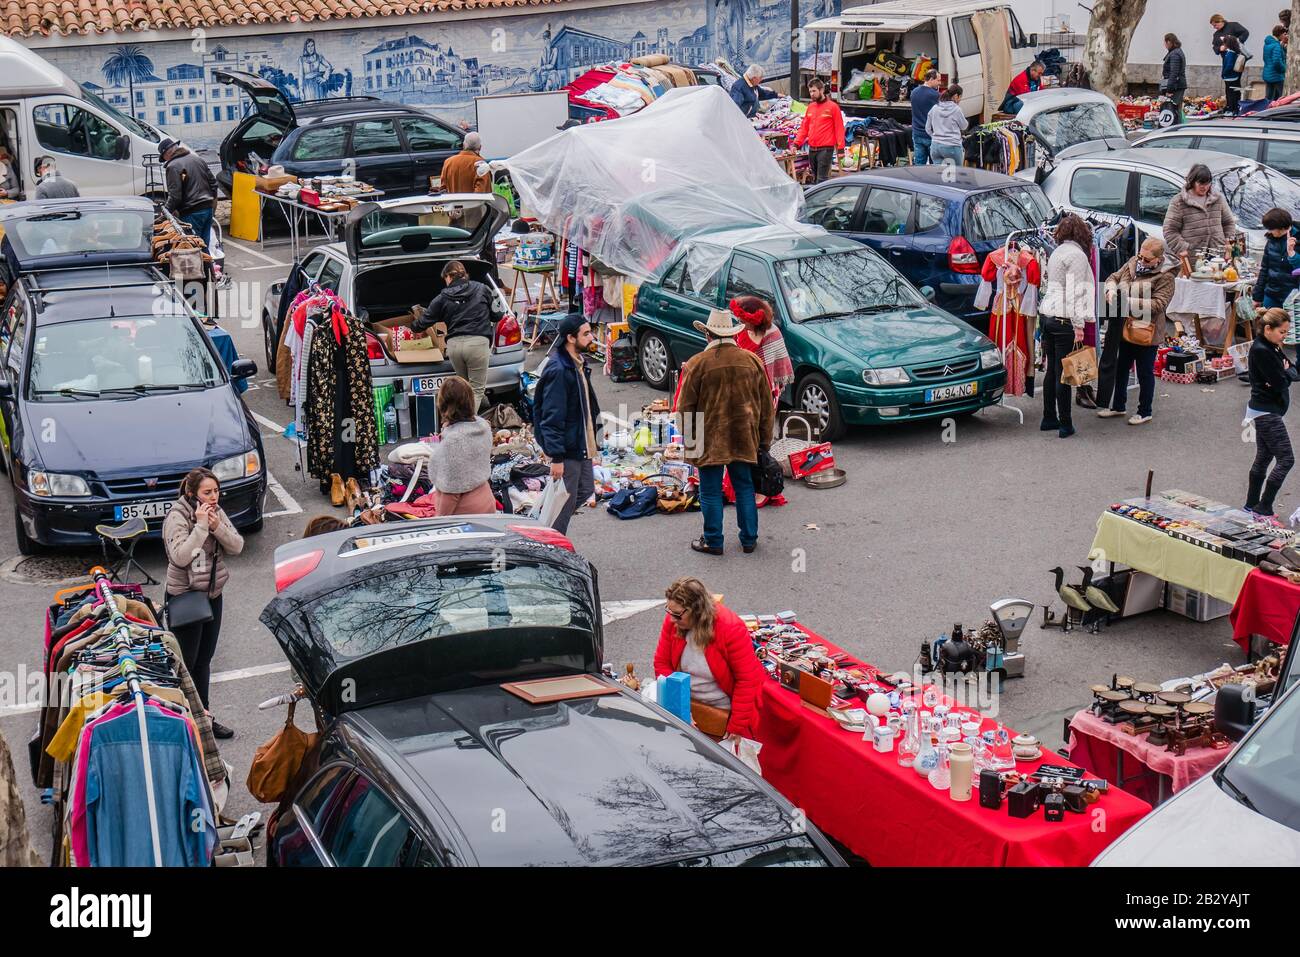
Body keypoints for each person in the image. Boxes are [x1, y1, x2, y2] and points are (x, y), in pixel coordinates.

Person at [676, 308, 775, 555]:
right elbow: (766, 406)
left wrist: (690, 442)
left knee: (709, 491)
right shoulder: (752, 361)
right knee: (744, 487)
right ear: (732, 334)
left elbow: (685, 408)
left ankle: (713, 540)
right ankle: (749, 539)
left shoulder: (698, 363)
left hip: (709, 438)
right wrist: (765, 440)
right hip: (744, 436)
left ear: (708, 335)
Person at [162, 467, 245, 740]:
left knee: (205, 660)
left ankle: (204, 716)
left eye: (216, 491)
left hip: (211, 595)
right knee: (186, 662)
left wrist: (216, 526)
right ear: (192, 494)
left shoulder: (215, 513)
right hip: (185, 597)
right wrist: (200, 527)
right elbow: (181, 556)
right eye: (207, 492)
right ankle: (184, 721)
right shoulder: (177, 517)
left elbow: (237, 545)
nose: (213, 497)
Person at [653, 577, 767, 740]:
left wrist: (735, 726)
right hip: (687, 704)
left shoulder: (731, 628)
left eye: (677, 615)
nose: (672, 619)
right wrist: (679, 706)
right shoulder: (674, 621)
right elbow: (662, 663)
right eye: (669, 612)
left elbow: (747, 680)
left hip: (721, 712)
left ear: (696, 610)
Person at [1097, 238, 1175, 426]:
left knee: (1145, 372)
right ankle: (1118, 406)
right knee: (1122, 367)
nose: (1142, 261)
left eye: (1147, 260)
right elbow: (1113, 277)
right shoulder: (1133, 262)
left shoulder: (1166, 277)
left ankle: (1145, 411)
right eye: (1140, 256)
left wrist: (1128, 301)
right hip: (1125, 325)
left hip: (1147, 329)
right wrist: (1109, 290)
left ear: (1158, 259)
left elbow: (1159, 304)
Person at [535, 312, 600, 536]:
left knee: (585, 490)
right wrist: (557, 457)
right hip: (568, 448)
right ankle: (552, 545)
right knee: (564, 503)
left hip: (580, 444)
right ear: (571, 338)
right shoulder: (560, 370)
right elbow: (552, 417)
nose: (591, 337)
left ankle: (551, 536)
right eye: (586, 333)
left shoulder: (578, 364)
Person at [414, 260, 503, 412]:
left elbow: (423, 321)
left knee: (464, 389)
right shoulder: (482, 288)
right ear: (464, 274)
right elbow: (498, 314)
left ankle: (467, 418)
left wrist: (414, 326)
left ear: (449, 277)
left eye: (445, 279)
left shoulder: (442, 297)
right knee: (476, 390)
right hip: (477, 344)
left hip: (454, 347)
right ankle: (468, 425)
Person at [1037, 213, 1096, 438]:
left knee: (1052, 370)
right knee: (1064, 373)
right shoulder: (1077, 256)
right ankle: (1065, 423)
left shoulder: (1057, 252)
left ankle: (1048, 417)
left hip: (1048, 315)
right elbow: (1075, 292)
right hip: (1064, 318)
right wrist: (1079, 325)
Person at [1245, 308, 1300, 526]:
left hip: (1267, 409)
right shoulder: (1262, 350)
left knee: (1264, 457)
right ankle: (1263, 507)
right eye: (1282, 332)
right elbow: (1281, 382)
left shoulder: (1273, 347)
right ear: (1268, 329)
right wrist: (1285, 374)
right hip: (1266, 412)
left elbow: (1294, 372)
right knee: (1286, 459)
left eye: (1286, 332)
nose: (1284, 336)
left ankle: (1251, 504)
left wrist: (1285, 373)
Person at [426, 375, 496, 515]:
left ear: (444, 404)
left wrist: (438, 523)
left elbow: (450, 493)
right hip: (486, 502)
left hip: (466, 515)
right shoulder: (482, 427)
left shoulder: (454, 441)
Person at [1163, 164, 1237, 264]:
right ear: (1193, 181)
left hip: (1218, 257)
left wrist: (1228, 242)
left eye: (1207, 183)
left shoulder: (1218, 198)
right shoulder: (1179, 201)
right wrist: (1183, 248)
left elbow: (1229, 223)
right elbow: (1170, 230)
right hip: (1193, 258)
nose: (1204, 187)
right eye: (1201, 183)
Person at [729, 295, 793, 404]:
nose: (740, 323)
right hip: (740, 387)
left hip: (764, 393)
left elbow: (772, 370)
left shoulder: (772, 334)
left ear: (755, 319)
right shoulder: (741, 330)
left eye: (743, 321)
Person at [158, 136, 218, 252]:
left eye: (164, 157)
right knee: (204, 246)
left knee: (193, 249)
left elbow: (175, 196)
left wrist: (165, 213)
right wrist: (212, 205)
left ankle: (203, 270)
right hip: (207, 209)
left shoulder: (173, 166)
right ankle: (208, 269)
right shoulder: (197, 159)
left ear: (167, 154)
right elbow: (213, 184)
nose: (165, 160)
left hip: (191, 212)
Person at [793, 78, 845, 184]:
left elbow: (839, 129)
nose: (811, 94)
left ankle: (822, 200)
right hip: (812, 149)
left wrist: (840, 149)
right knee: (815, 179)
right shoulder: (811, 107)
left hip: (826, 149)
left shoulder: (833, 107)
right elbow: (804, 128)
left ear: (821, 90)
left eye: (814, 91)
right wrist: (796, 144)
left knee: (822, 180)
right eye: (810, 91)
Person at [1253, 208, 1300, 325]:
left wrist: (1292, 253)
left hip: (1293, 294)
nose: (1269, 231)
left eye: (1271, 228)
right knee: (1269, 330)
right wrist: (1257, 296)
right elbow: (1264, 269)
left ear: (1281, 228)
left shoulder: (1297, 240)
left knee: (1293, 333)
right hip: (1272, 293)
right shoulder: (1271, 241)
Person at [925, 85, 967, 168]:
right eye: (960, 97)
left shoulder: (935, 108)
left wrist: (935, 137)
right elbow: (964, 126)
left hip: (935, 146)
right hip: (952, 146)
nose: (960, 100)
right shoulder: (956, 109)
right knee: (956, 174)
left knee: (939, 175)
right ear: (955, 96)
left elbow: (927, 128)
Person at [910, 69, 942, 165]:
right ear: (931, 79)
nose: (939, 83)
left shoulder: (914, 92)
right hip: (931, 135)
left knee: (919, 165)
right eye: (938, 80)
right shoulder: (935, 95)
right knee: (934, 166)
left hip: (917, 134)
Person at [1161, 34, 1189, 122]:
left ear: (1169, 42)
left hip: (1176, 86)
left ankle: (1177, 127)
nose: (1164, 45)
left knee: (1174, 109)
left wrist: (1169, 89)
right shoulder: (1176, 51)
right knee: (1177, 108)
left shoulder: (1175, 54)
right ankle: (1178, 126)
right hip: (1177, 84)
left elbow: (1174, 73)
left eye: (1165, 42)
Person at [1220, 35, 1246, 115]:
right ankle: (1233, 109)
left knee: (1230, 94)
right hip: (1233, 77)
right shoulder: (1233, 52)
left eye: (1224, 43)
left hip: (1229, 77)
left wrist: (1224, 73)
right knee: (1232, 93)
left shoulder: (1230, 53)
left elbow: (1229, 66)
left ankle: (1231, 109)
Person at [1264, 25, 1288, 101]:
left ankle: (1267, 112)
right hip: (1277, 76)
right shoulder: (1276, 45)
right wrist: (1284, 69)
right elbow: (1277, 61)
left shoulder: (1268, 44)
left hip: (1268, 74)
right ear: (1280, 34)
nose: (1286, 36)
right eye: (1284, 34)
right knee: (1281, 99)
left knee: (1269, 98)